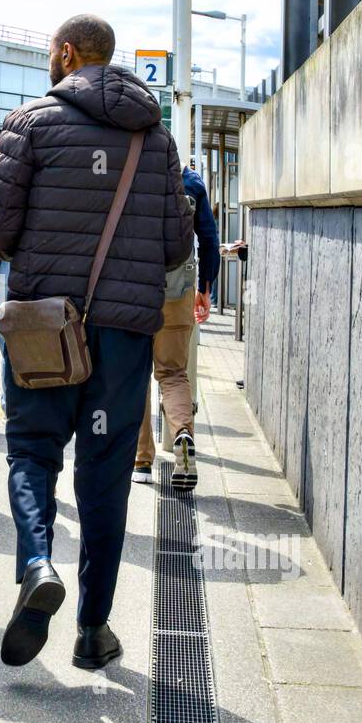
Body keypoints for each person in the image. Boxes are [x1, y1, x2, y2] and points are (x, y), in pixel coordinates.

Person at [0, 14, 193, 670]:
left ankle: (38, 562)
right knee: (105, 477)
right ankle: (93, 629)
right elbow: (175, 246)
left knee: (32, 453)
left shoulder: (29, 123)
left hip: (45, 327)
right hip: (124, 338)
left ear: (67, 53)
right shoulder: (155, 139)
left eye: (51, 51)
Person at [133, 158, 221, 488]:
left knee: (139, 372)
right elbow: (210, 240)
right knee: (172, 373)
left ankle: (142, 461)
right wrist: (205, 289)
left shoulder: (138, 174)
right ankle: (183, 433)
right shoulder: (192, 183)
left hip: (139, 289)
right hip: (181, 288)